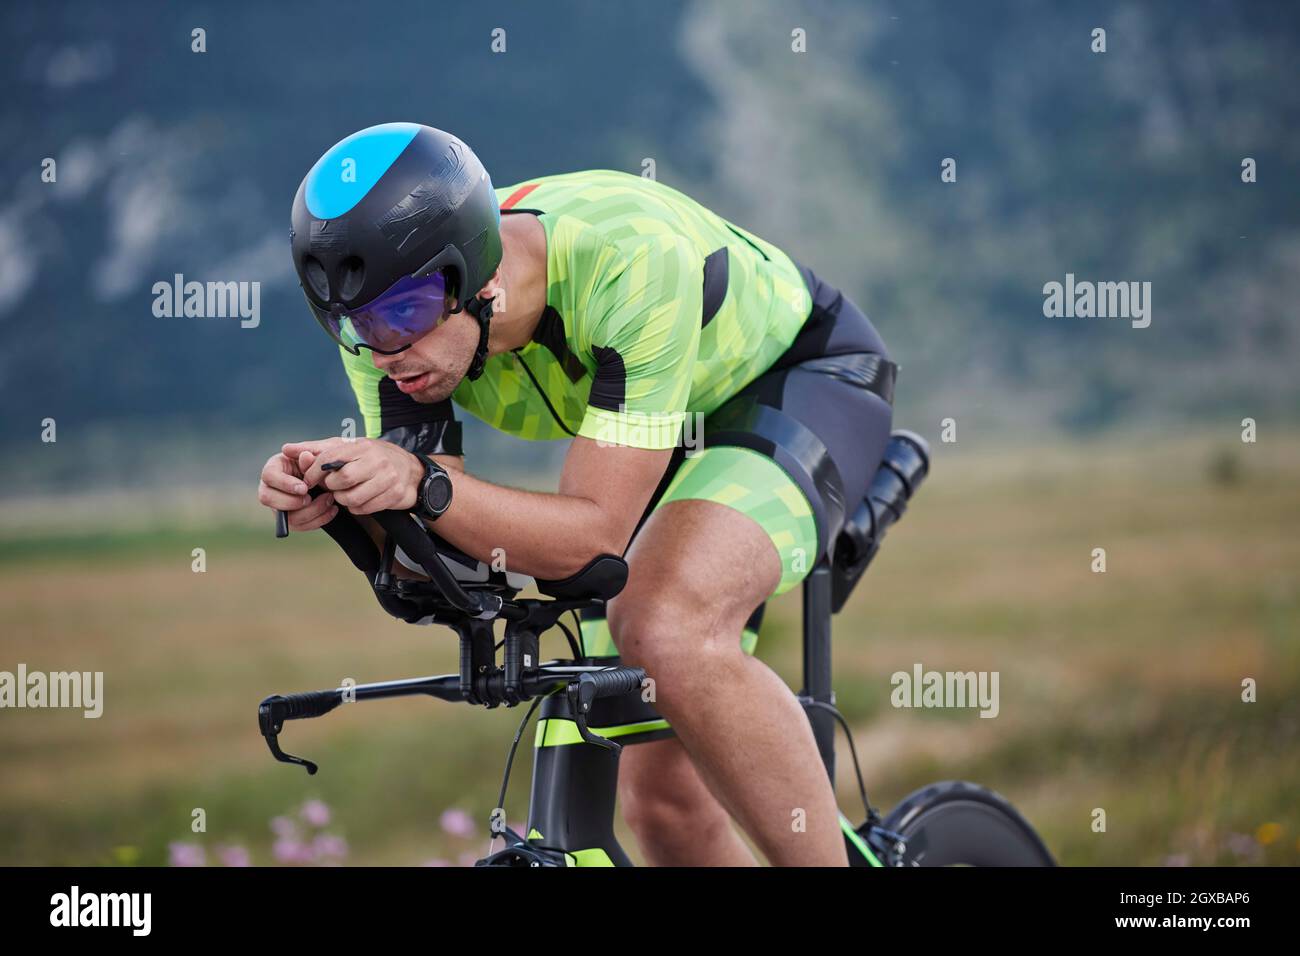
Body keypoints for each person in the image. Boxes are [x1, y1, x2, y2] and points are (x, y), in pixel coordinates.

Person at [258, 123, 896, 866]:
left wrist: (421, 485)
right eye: (350, 324)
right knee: (663, 802)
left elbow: (590, 539)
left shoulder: (629, 263)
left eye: (401, 314)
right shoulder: (385, 339)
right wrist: (349, 510)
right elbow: (441, 558)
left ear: (478, 277)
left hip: (793, 382)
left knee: (662, 626)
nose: (382, 351)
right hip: (646, 433)